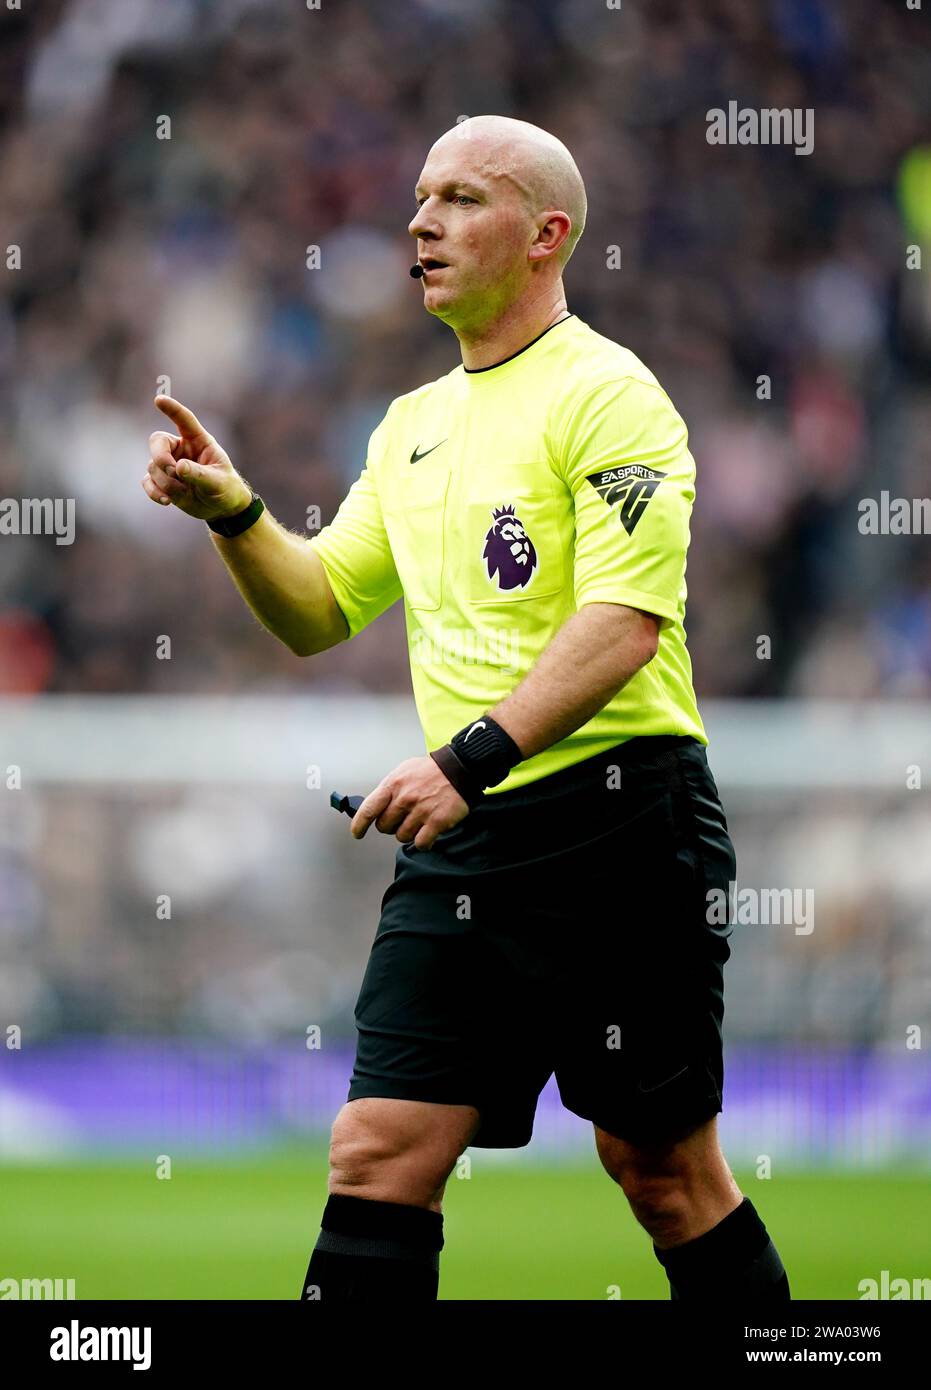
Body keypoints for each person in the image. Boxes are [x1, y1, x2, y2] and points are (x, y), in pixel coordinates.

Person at [143, 115, 789, 1302]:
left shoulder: (613, 395)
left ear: (546, 236)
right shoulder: (411, 427)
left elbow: (623, 622)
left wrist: (466, 759)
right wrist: (236, 514)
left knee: (662, 1169)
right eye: (420, 197)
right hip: (472, 837)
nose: (421, 221)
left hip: (621, 826)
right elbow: (320, 608)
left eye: (460, 198)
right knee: (380, 1149)